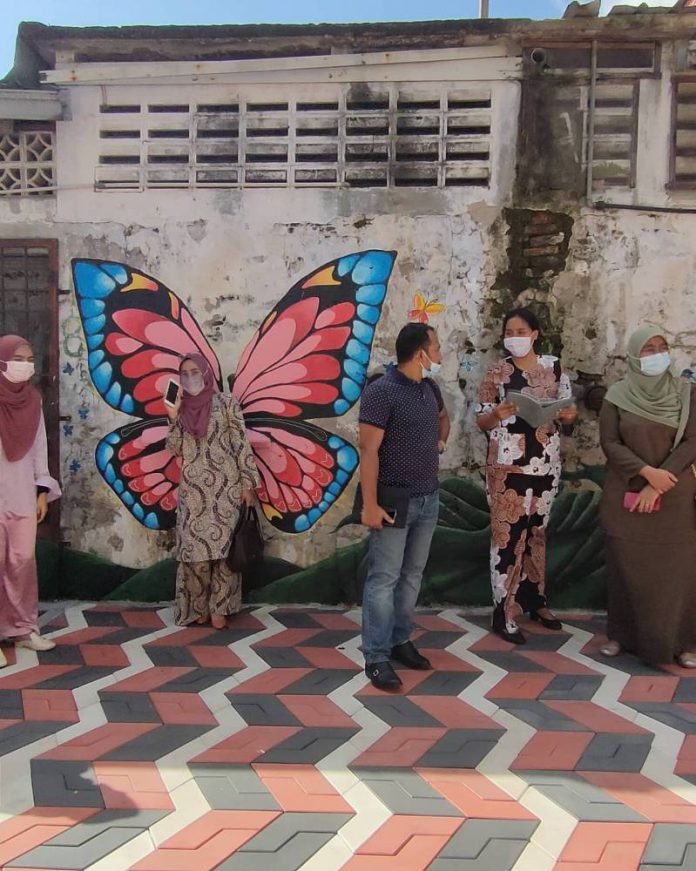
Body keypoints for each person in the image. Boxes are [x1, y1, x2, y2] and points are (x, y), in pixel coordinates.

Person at [476, 308, 577, 644]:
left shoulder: (554, 367)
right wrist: (497, 413)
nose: (514, 336)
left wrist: (567, 414)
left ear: (535, 334)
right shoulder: (497, 372)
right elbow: (480, 420)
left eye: (521, 330)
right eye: (509, 330)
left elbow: (568, 415)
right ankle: (503, 611)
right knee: (508, 538)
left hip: (546, 464)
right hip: (508, 468)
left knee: (536, 533)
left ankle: (535, 600)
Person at [358, 323, 450, 690]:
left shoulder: (429, 388)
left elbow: (443, 418)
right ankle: (376, 656)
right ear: (419, 353)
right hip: (394, 499)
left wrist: (441, 441)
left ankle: (400, 641)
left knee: (412, 575)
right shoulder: (382, 392)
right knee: (384, 578)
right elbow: (368, 450)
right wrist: (369, 505)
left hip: (429, 498)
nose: (440, 355)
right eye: (437, 347)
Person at [599, 325, 696, 667]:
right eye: (648, 349)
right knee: (626, 570)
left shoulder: (685, 393)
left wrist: (657, 482)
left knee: (679, 573)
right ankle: (621, 636)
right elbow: (610, 443)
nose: (656, 355)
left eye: (661, 347)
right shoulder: (617, 396)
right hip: (627, 496)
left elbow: (692, 442)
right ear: (634, 356)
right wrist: (644, 473)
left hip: (675, 499)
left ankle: (684, 643)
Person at [166, 354, 259, 628]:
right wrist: (172, 416)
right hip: (193, 492)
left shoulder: (227, 403)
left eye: (195, 371)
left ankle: (220, 607)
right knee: (194, 553)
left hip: (226, 488)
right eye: (184, 373)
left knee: (224, 552)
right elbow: (175, 449)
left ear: (206, 373)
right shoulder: (180, 408)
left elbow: (240, 442)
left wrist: (247, 484)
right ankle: (197, 607)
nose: (190, 377)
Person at [0, 335, 61, 667]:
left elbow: (39, 449)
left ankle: (23, 629)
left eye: (29, 358)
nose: (25, 364)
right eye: (18, 358)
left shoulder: (32, 401)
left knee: (23, 563)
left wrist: (41, 492)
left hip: (23, 494)